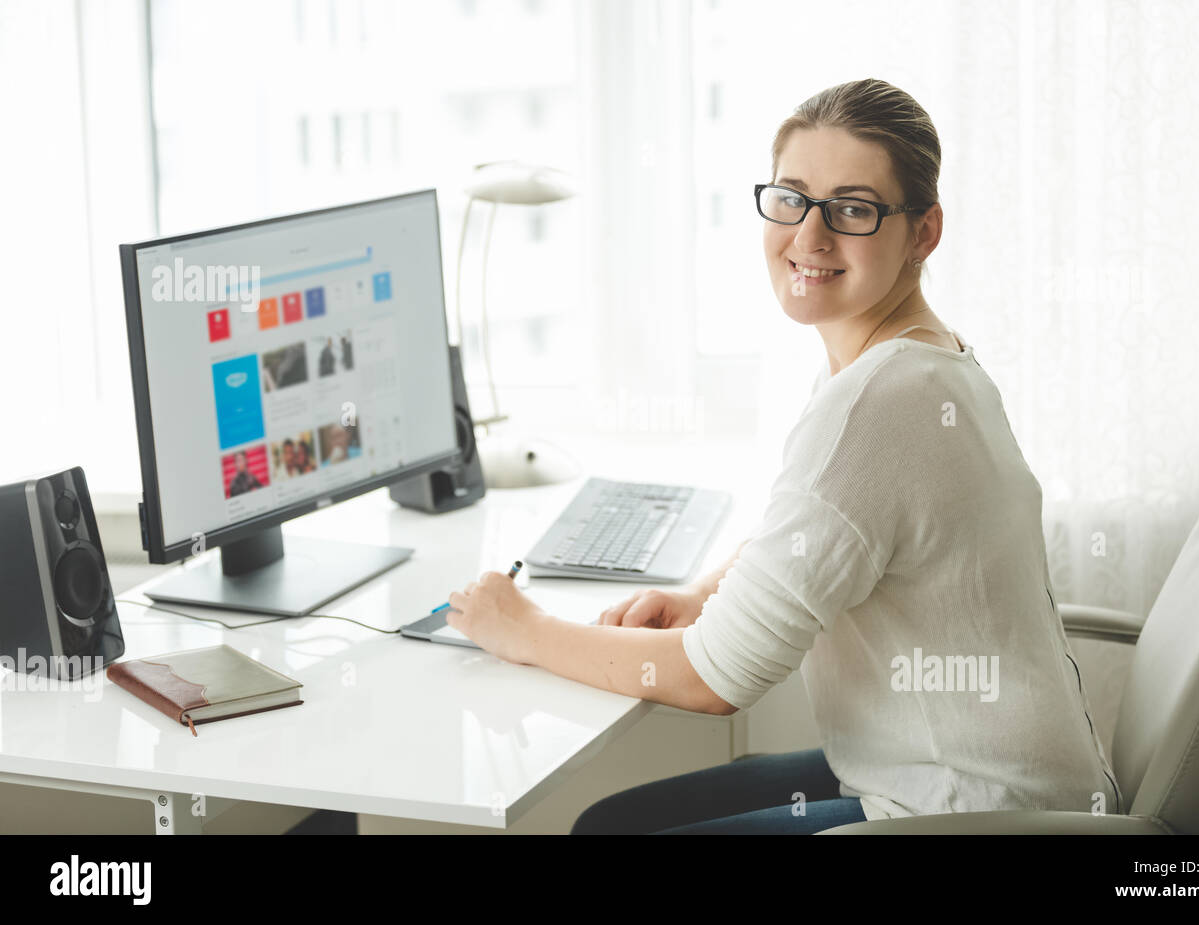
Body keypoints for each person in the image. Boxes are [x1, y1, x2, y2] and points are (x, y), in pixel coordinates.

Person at [443, 78, 1120, 834]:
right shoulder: (917, 360)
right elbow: (829, 528)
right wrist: (706, 593)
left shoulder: (880, 401)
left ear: (924, 232)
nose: (809, 236)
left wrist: (523, 630)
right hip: (983, 778)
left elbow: (715, 677)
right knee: (612, 823)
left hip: (969, 810)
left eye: (853, 209)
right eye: (792, 197)